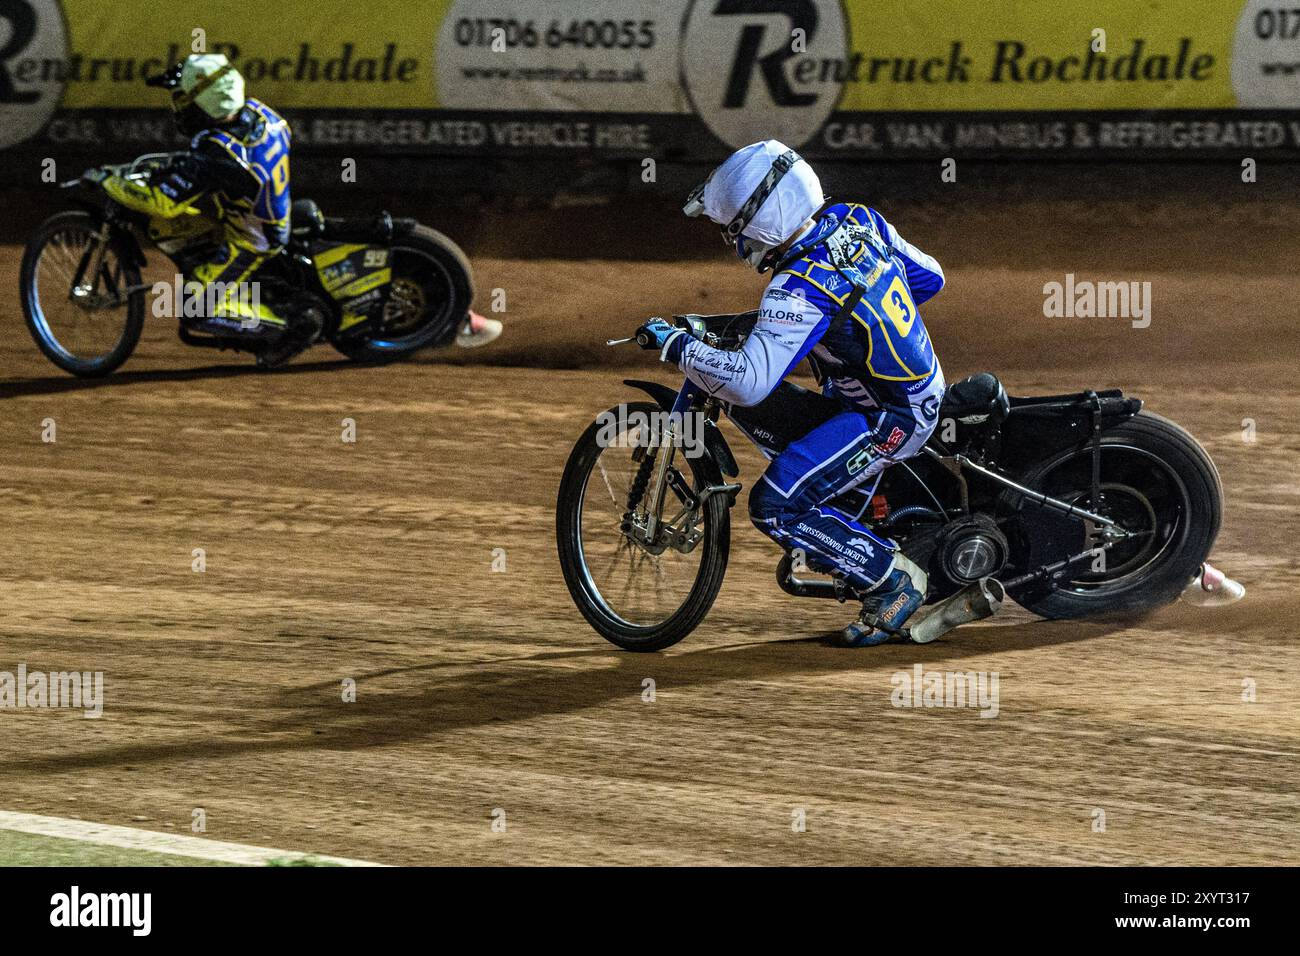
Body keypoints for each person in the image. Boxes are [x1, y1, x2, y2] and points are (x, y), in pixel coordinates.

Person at [637, 140, 946, 646]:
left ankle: (892, 580)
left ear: (759, 223)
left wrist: (675, 347)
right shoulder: (857, 219)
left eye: (732, 229)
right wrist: (854, 317)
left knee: (775, 505)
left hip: (889, 419)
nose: (733, 243)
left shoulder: (796, 285)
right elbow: (929, 279)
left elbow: (746, 382)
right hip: (903, 394)